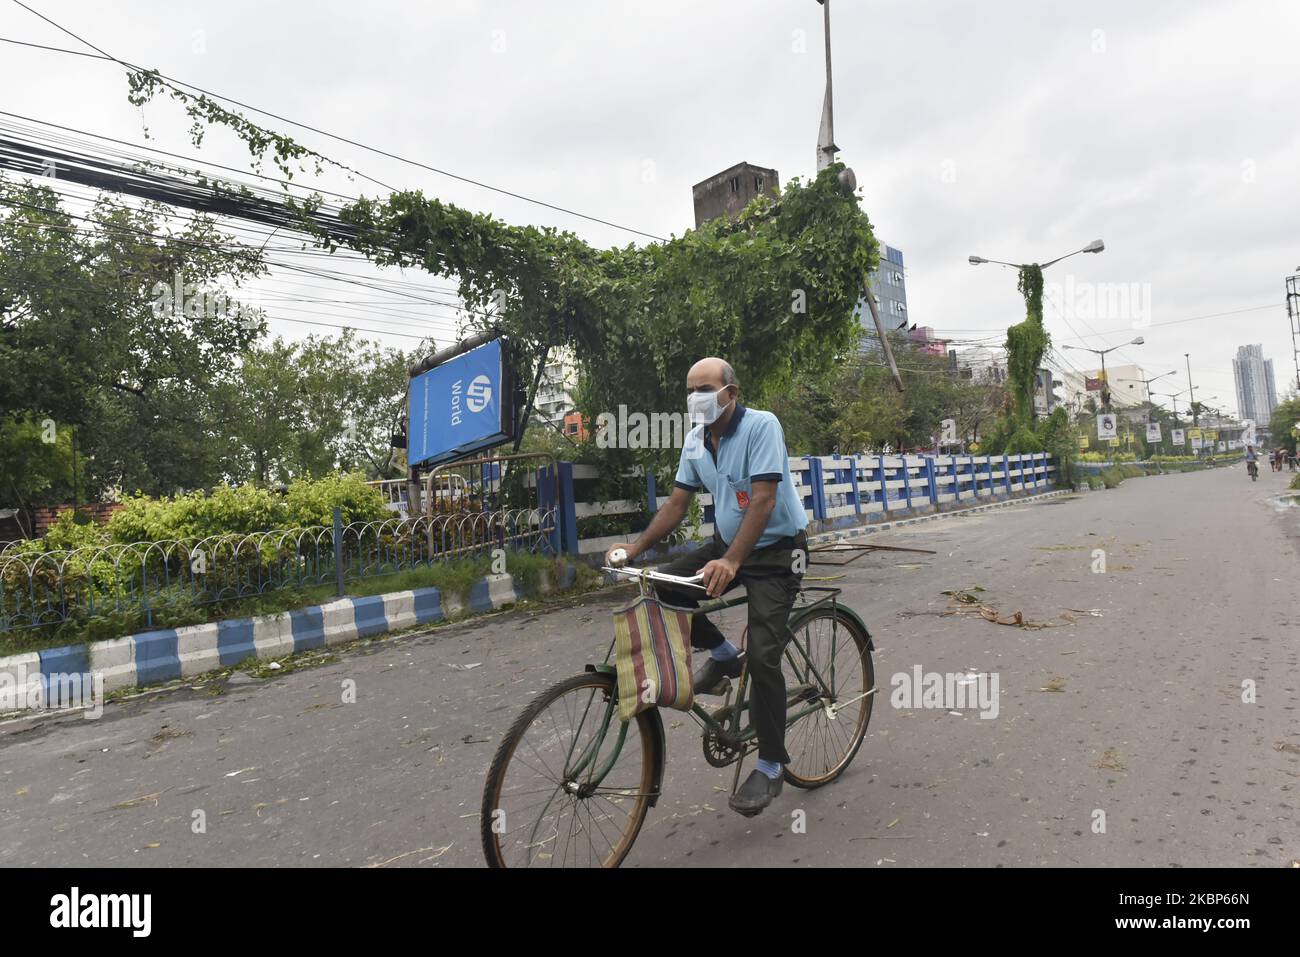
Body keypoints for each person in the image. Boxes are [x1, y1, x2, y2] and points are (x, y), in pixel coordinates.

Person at [605, 357, 808, 817]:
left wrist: (733, 560)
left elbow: (764, 499)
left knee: (763, 653)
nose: (697, 396)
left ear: (730, 393)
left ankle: (772, 764)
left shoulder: (762, 427)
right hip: (726, 544)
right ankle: (721, 656)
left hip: (777, 554)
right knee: (665, 587)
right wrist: (635, 550)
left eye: (706, 388)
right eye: (691, 389)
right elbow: (677, 505)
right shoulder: (696, 442)